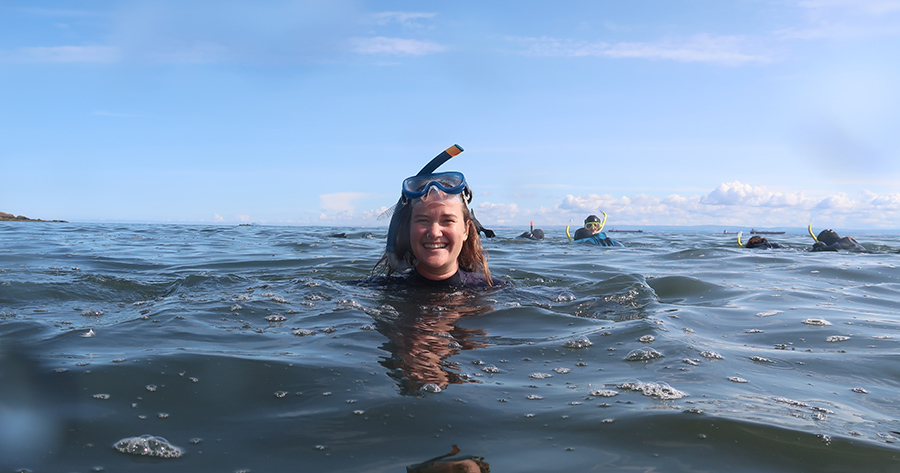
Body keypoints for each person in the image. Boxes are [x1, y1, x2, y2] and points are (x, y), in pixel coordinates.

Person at [372, 145, 503, 289]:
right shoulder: (378, 290)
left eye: (447, 221)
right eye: (423, 220)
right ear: (408, 229)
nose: (434, 232)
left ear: (466, 230)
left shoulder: (493, 290)